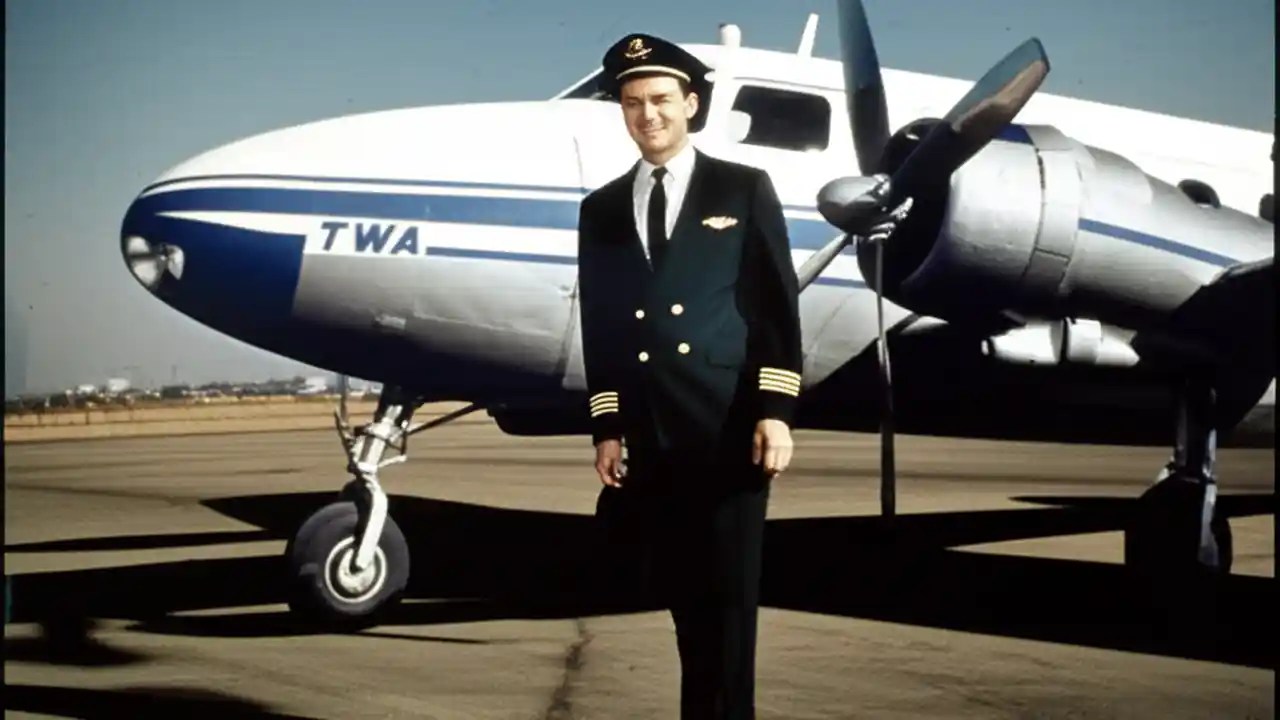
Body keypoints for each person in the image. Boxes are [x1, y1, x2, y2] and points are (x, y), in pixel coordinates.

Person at [575, 32, 801, 719]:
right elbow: (604, 325)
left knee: (730, 610)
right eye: (634, 102)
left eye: (662, 100)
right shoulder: (602, 210)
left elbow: (774, 304)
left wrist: (774, 409)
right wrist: (608, 426)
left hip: (728, 425)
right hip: (652, 433)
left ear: (691, 105)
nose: (649, 114)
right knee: (687, 606)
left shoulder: (744, 188)